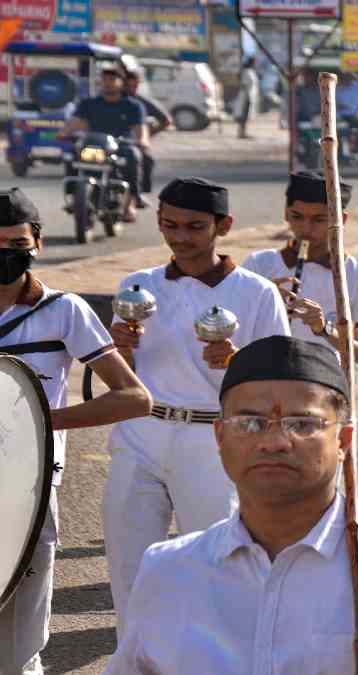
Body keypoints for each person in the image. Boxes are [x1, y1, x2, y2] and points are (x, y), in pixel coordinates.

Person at [106, 336, 358, 674]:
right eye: (250, 423)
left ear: (344, 440)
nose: (275, 441)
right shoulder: (170, 572)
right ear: (220, 436)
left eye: (302, 424)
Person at [103, 177, 292, 636]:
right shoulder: (138, 285)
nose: (181, 237)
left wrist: (236, 363)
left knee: (217, 563)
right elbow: (118, 369)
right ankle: (137, 658)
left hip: (212, 440)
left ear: (223, 226)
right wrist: (120, 346)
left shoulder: (256, 292)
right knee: (130, 565)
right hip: (140, 430)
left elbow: (280, 380)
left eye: (195, 226)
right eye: (170, 225)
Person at [0, 189, 151, 675]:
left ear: (36, 243)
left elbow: (133, 397)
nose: (6, 254)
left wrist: (40, 422)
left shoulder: (63, 311)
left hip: (29, 488)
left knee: (21, 640)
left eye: (15, 242)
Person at [243, 172, 358, 367]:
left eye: (319, 219)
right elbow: (235, 334)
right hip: (269, 381)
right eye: (297, 217)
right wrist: (263, 300)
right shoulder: (258, 264)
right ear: (286, 213)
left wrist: (324, 328)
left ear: (340, 219)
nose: (306, 228)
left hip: (328, 385)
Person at [58, 64, 147, 222]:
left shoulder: (133, 106)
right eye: (104, 79)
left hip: (120, 146)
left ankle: (133, 199)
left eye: (112, 79)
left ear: (122, 82)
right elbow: (75, 121)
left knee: (134, 155)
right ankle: (75, 198)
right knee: (70, 154)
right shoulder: (89, 103)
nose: (108, 82)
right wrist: (64, 133)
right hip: (93, 144)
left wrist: (142, 141)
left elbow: (141, 128)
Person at [123, 68, 169, 204]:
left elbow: (166, 120)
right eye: (128, 85)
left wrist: (147, 135)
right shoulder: (109, 98)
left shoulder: (139, 103)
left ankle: (138, 194)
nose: (132, 89)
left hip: (131, 142)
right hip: (106, 141)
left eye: (135, 85)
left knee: (146, 160)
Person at [235, 56, 259, 139]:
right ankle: (241, 133)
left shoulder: (251, 72)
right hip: (246, 96)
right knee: (243, 115)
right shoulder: (246, 72)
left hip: (250, 96)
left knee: (245, 115)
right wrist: (246, 95)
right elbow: (244, 84)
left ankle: (243, 132)